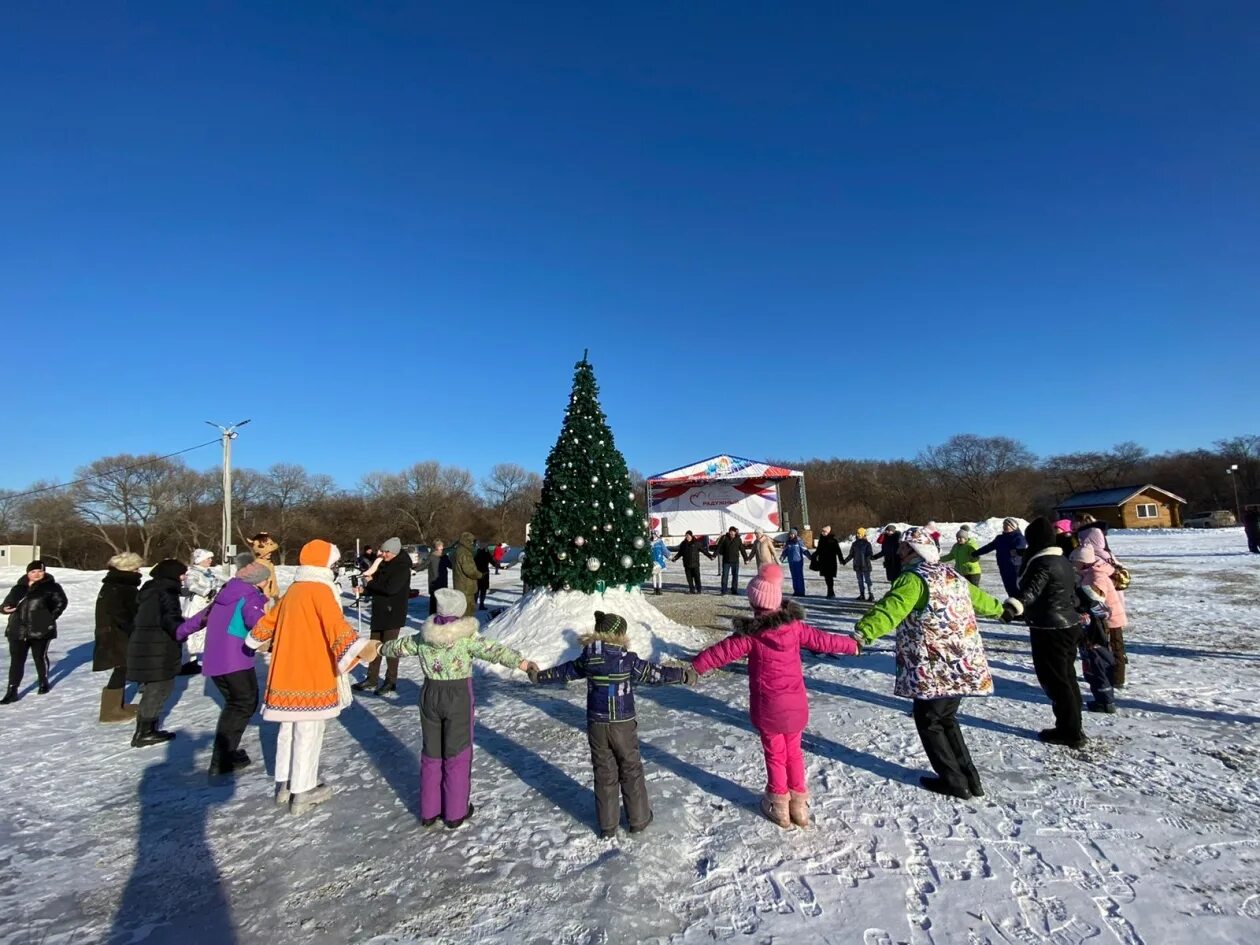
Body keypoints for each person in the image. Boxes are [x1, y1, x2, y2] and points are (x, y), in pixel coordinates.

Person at [692, 563, 859, 827]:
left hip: (768, 707)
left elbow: (720, 653)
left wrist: (694, 667)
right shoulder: (796, 627)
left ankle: (779, 803)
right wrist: (852, 645)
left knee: (774, 754)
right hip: (795, 705)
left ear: (754, 603)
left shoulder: (751, 635)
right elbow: (825, 640)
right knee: (794, 752)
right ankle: (799, 806)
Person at [854, 527, 1002, 799]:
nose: (899, 552)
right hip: (963, 661)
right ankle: (970, 778)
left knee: (929, 720)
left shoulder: (913, 579)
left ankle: (954, 781)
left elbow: (891, 608)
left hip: (934, 664)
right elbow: (981, 600)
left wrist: (864, 633)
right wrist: (1003, 609)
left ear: (915, 551)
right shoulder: (950, 573)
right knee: (945, 718)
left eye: (904, 547)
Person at [532, 609, 693, 837]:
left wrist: (539, 676)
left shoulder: (588, 658)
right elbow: (654, 673)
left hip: (596, 724)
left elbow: (564, 672)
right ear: (618, 635)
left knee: (604, 771)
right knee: (630, 768)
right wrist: (683, 675)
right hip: (622, 723)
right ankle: (639, 819)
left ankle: (607, 826)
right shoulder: (626, 660)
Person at [384, 587, 535, 828]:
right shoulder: (466, 637)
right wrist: (522, 663)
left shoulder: (424, 636)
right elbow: (493, 650)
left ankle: (429, 811)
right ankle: (455, 812)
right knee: (457, 753)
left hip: (430, 694)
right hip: (457, 696)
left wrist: (376, 649)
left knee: (432, 753)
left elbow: (397, 647)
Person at [247, 539, 377, 815]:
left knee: (288, 728)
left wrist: (253, 640)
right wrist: (360, 648)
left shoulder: (294, 589)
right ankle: (303, 790)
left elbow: (269, 621)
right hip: (311, 669)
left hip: (286, 669)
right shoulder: (320, 589)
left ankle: (285, 783)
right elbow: (335, 626)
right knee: (309, 730)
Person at [176, 559, 272, 775]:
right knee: (242, 704)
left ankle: (225, 754)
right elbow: (259, 623)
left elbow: (201, 618)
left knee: (236, 704)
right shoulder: (250, 596)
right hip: (235, 659)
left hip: (215, 658)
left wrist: (180, 632)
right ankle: (223, 759)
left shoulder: (227, 594)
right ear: (260, 581)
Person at [1000, 517, 1086, 749]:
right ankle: (1072, 725)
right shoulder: (1061, 558)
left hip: (1051, 627)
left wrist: (1011, 608)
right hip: (1068, 624)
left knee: (1056, 680)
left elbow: (1030, 591)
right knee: (1066, 677)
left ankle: (1070, 731)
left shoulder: (1043, 562)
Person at [126, 560, 189, 745]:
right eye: (182, 574)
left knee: (154, 686)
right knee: (160, 686)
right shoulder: (167, 592)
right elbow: (170, 619)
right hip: (158, 645)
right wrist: (186, 628)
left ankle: (146, 727)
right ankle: (145, 731)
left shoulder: (150, 589)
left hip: (144, 642)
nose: (184, 578)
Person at [1, 561, 69, 704]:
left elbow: (61, 603)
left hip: (40, 629)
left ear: (44, 572)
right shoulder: (19, 588)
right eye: (33, 572)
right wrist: (4, 608)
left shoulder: (52, 587)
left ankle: (43, 682)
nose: (37, 574)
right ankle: (12, 691)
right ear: (28, 573)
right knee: (16, 660)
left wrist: (49, 618)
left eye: (40, 571)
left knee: (39, 657)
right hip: (17, 629)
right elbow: (6, 604)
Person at [353, 537, 413, 695]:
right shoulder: (383, 564)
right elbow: (377, 586)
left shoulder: (402, 568)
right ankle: (371, 678)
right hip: (379, 610)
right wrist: (364, 591)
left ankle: (390, 681)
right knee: (374, 645)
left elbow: (390, 589)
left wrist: (371, 583)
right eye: (383, 551)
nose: (383, 554)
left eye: (387, 552)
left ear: (394, 552)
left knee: (389, 647)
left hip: (393, 612)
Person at [1075, 524, 1130, 687]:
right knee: (1108, 647)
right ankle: (1108, 675)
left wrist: (1080, 591)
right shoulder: (1098, 563)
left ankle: (1115, 678)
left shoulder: (1096, 569)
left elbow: (1097, 595)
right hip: (1108, 612)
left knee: (1112, 647)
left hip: (1109, 616)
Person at [94, 552, 144, 722]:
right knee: (122, 667)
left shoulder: (115, 584)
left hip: (115, 632)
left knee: (123, 667)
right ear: (127, 569)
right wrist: (134, 629)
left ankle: (117, 705)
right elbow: (121, 614)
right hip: (117, 634)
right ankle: (110, 710)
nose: (139, 572)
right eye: (136, 568)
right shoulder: (120, 587)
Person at [1070, 544, 1119, 714]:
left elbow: (1099, 604)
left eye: (1074, 562)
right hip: (1091, 629)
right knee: (1093, 664)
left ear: (1083, 562)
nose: (1072, 565)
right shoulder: (1085, 576)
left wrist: (1083, 608)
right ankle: (1102, 698)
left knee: (1098, 664)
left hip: (1095, 631)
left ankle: (1105, 701)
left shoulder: (1094, 577)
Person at [179, 548, 221, 675]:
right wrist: (206, 591)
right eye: (208, 558)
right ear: (200, 560)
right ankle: (188, 662)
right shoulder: (193, 572)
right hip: (195, 605)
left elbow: (220, 581)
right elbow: (191, 585)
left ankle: (200, 658)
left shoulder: (209, 572)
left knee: (204, 632)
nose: (210, 560)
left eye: (210, 558)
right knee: (193, 632)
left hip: (206, 605)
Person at [974, 518, 1027, 597]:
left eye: (1007, 525)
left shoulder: (1019, 537)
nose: (1004, 527)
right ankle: (1012, 600)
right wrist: (976, 553)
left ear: (1013, 526)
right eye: (1003, 525)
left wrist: (1016, 551)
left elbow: (1021, 549)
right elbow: (989, 547)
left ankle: (1021, 601)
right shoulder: (1000, 538)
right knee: (1008, 587)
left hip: (1015, 567)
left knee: (1017, 587)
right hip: (1003, 566)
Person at [450, 532, 484, 617]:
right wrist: (480, 575)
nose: (473, 544)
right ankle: (466, 625)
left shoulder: (457, 551)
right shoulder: (465, 553)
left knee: (461, 609)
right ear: (467, 541)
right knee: (468, 610)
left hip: (460, 585)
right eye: (472, 541)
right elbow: (469, 570)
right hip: (466, 587)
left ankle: (462, 623)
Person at [715, 526, 752, 595]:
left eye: (733, 532)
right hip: (726, 561)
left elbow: (742, 549)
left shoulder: (738, 539)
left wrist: (746, 559)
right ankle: (723, 590)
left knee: (735, 576)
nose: (731, 533)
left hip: (735, 561)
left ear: (735, 532)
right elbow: (719, 547)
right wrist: (714, 555)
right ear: (729, 532)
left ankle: (734, 590)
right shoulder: (724, 538)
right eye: (730, 532)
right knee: (725, 576)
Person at [841, 527, 875, 601]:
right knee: (860, 581)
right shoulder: (854, 544)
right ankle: (862, 595)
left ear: (863, 534)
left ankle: (871, 595)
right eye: (857, 533)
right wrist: (845, 561)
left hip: (866, 565)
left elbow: (870, 553)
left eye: (859, 533)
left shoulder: (867, 544)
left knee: (868, 580)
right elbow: (851, 555)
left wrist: (870, 556)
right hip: (857, 565)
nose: (858, 535)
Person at [248, 532, 281, 606]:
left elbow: (272, 580)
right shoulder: (259, 565)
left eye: (271, 552)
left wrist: (275, 594)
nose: (270, 554)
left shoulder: (269, 564)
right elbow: (260, 586)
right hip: (261, 599)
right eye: (267, 552)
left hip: (268, 596)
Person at [812, 526, 844, 598]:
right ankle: (830, 592)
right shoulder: (821, 540)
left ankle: (831, 592)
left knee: (829, 577)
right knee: (827, 577)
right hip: (823, 561)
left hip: (831, 562)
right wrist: (814, 555)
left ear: (828, 532)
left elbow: (838, 551)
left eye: (824, 531)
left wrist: (841, 559)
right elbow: (818, 550)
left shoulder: (833, 541)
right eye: (822, 531)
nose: (823, 533)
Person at [779, 528, 811, 597]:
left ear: (795, 534)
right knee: (794, 576)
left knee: (799, 576)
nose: (791, 535)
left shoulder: (799, 541)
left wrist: (810, 557)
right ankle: (796, 591)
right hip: (791, 562)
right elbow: (784, 552)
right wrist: (781, 559)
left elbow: (805, 550)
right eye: (790, 534)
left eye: (792, 534)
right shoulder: (788, 542)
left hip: (798, 561)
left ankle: (801, 592)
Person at [427, 540, 451, 615]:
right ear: (436, 547)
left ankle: (441, 617)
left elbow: (451, 565)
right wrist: (415, 570)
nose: (442, 547)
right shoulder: (431, 556)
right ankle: (432, 617)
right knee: (434, 602)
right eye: (441, 546)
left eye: (442, 546)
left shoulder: (444, 557)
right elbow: (424, 564)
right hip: (434, 583)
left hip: (443, 581)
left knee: (442, 602)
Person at [474, 541, 494, 610]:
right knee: (483, 590)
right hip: (485, 573)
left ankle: (474, 604)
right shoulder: (487, 553)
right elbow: (492, 561)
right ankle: (481, 605)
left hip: (476, 573)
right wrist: (498, 566)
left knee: (476, 590)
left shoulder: (475, 553)